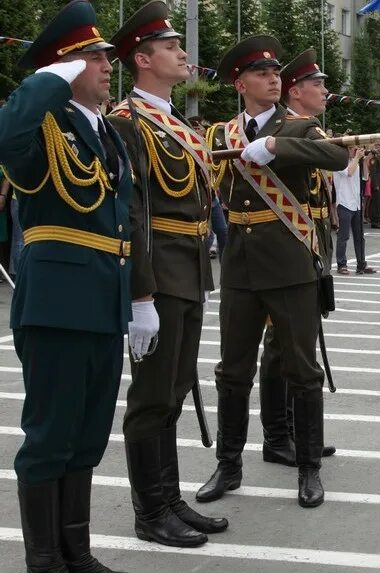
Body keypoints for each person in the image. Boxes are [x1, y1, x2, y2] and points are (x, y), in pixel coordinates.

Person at [0, 2, 141, 571]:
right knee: (51, 437)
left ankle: (75, 553)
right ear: (61, 70)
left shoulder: (104, 132)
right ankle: (44, 562)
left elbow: (122, 222)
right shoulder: (43, 130)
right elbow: (7, 135)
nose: (107, 65)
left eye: (106, 55)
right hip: (57, 305)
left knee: (86, 437)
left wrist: (138, 301)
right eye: (90, 57)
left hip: (105, 304)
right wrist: (45, 81)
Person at [196, 35, 347, 509]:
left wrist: (277, 145)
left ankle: (308, 469)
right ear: (241, 83)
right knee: (232, 371)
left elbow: (339, 156)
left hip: (289, 263)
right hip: (239, 266)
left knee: (302, 369)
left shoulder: (299, 127)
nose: (272, 78)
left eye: (275, 72)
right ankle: (228, 466)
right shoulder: (220, 135)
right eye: (261, 74)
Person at [106, 0, 227, 548]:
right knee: (152, 398)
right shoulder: (127, 123)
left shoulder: (175, 125)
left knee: (175, 392)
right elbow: (132, 211)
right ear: (143, 59)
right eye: (172, 47)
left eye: (180, 45)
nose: (183, 54)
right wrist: (140, 294)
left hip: (191, 270)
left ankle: (170, 498)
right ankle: (149, 511)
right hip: (158, 275)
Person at [254, 48, 342, 470]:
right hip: (282, 250)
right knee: (278, 348)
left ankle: (297, 431)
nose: (325, 90)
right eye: (317, 84)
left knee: (299, 342)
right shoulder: (285, 129)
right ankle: (278, 435)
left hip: (311, 244)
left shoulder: (307, 128)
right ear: (296, 91)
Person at [333, 145, 377, 274]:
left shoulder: (356, 162)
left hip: (356, 203)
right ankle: (341, 264)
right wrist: (357, 158)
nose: (355, 150)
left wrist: (365, 161)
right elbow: (349, 173)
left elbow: (365, 177)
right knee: (344, 236)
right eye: (352, 148)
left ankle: (361, 264)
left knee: (359, 237)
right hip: (344, 203)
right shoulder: (339, 163)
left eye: (356, 148)